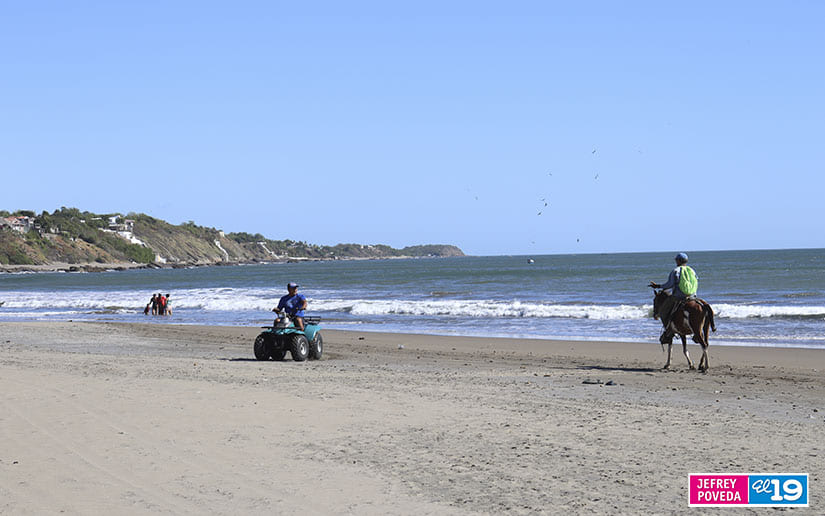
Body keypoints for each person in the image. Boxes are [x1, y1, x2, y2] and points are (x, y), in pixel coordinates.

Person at [649, 252, 698, 326]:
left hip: (679, 296)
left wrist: (658, 286)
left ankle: (667, 329)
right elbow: (696, 281)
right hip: (692, 296)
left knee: (664, 310)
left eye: (676, 260)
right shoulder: (692, 270)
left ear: (678, 261)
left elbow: (669, 284)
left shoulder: (676, 271)